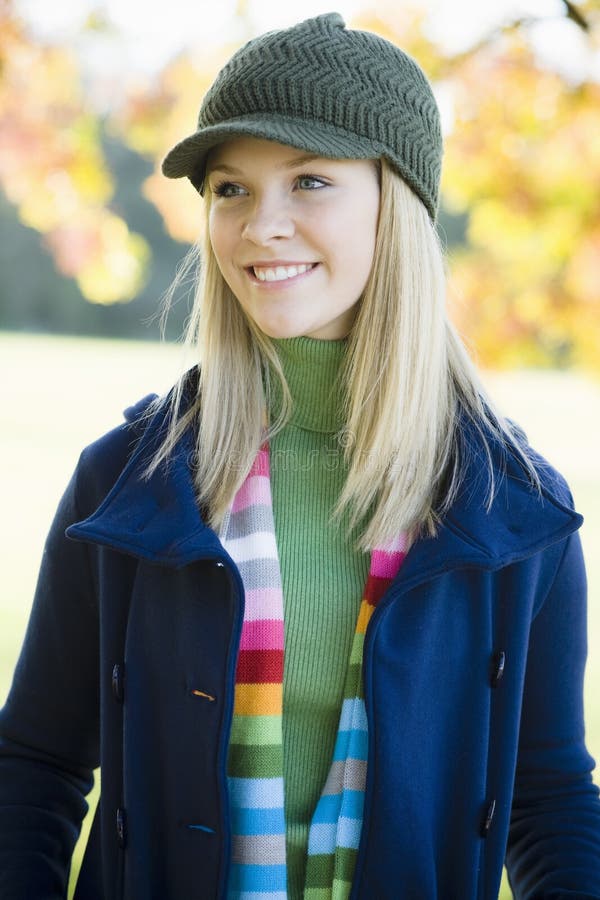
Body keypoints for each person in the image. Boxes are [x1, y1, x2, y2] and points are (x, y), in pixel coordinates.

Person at [0, 11, 599, 900]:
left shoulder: (510, 508)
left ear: (397, 204)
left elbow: (547, 799)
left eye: (309, 181)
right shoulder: (132, 480)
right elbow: (35, 766)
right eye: (230, 190)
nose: (258, 226)